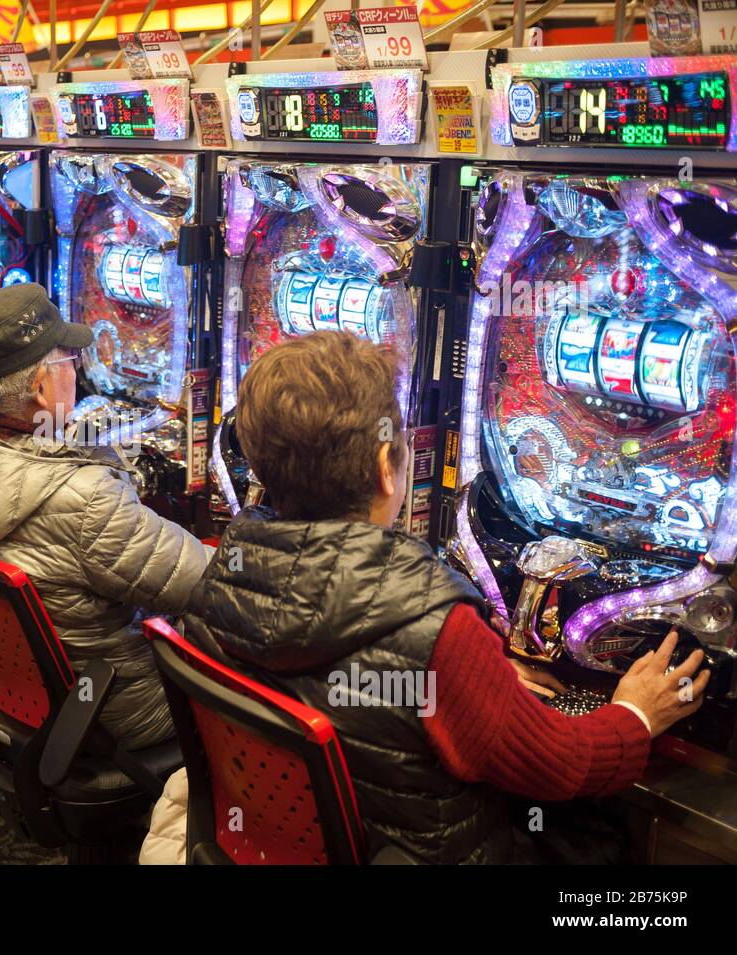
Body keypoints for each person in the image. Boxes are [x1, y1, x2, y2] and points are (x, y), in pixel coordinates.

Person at [141, 331, 708, 864]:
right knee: (600, 835)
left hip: (276, 843)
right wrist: (635, 713)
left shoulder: (221, 575)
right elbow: (565, 765)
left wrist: (481, 680)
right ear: (389, 472)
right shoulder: (432, 624)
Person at [0, 284, 211, 749]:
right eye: (71, 364)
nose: (79, 374)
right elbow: (212, 586)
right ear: (39, 387)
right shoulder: (86, 497)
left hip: (11, 686)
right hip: (119, 707)